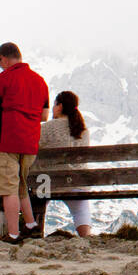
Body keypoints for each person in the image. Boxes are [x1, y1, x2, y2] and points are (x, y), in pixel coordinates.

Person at [0, 42, 49, 244]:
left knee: (7, 188)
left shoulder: (2, 79)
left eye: (0, 62)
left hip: (7, 140)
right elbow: (44, 115)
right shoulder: (40, 81)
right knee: (20, 185)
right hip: (29, 142)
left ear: (3, 58)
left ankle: (12, 234)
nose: (0, 65)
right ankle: (31, 225)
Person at [36, 91, 93, 237]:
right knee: (80, 208)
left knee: (37, 198)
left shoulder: (47, 128)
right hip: (78, 183)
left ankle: (35, 232)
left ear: (60, 106)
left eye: (54, 105)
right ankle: (86, 237)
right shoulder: (83, 130)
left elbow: (33, 149)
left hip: (49, 183)